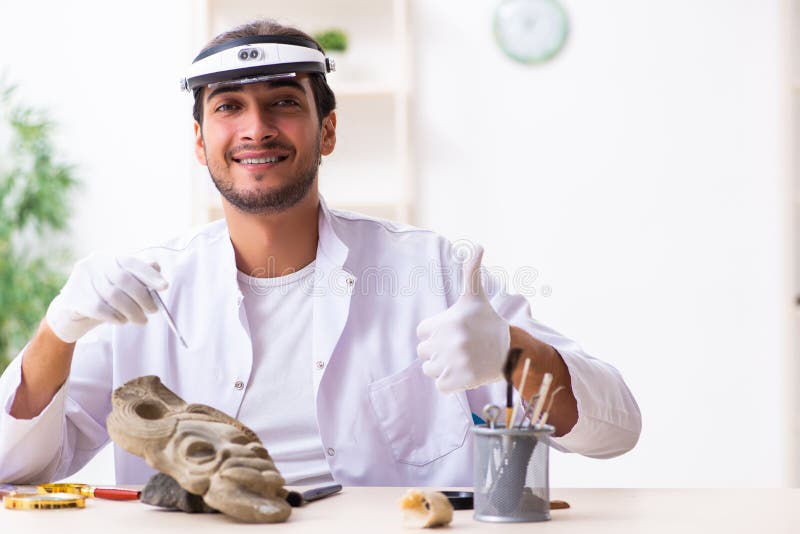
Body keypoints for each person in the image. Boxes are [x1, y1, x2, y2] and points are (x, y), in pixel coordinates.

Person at [0, 19, 640, 487]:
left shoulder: (436, 274)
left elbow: (616, 429)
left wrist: (510, 351)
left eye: (283, 102)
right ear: (200, 142)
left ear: (327, 129)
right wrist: (59, 328)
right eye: (230, 108)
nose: (256, 128)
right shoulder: (139, 292)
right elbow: (12, 466)